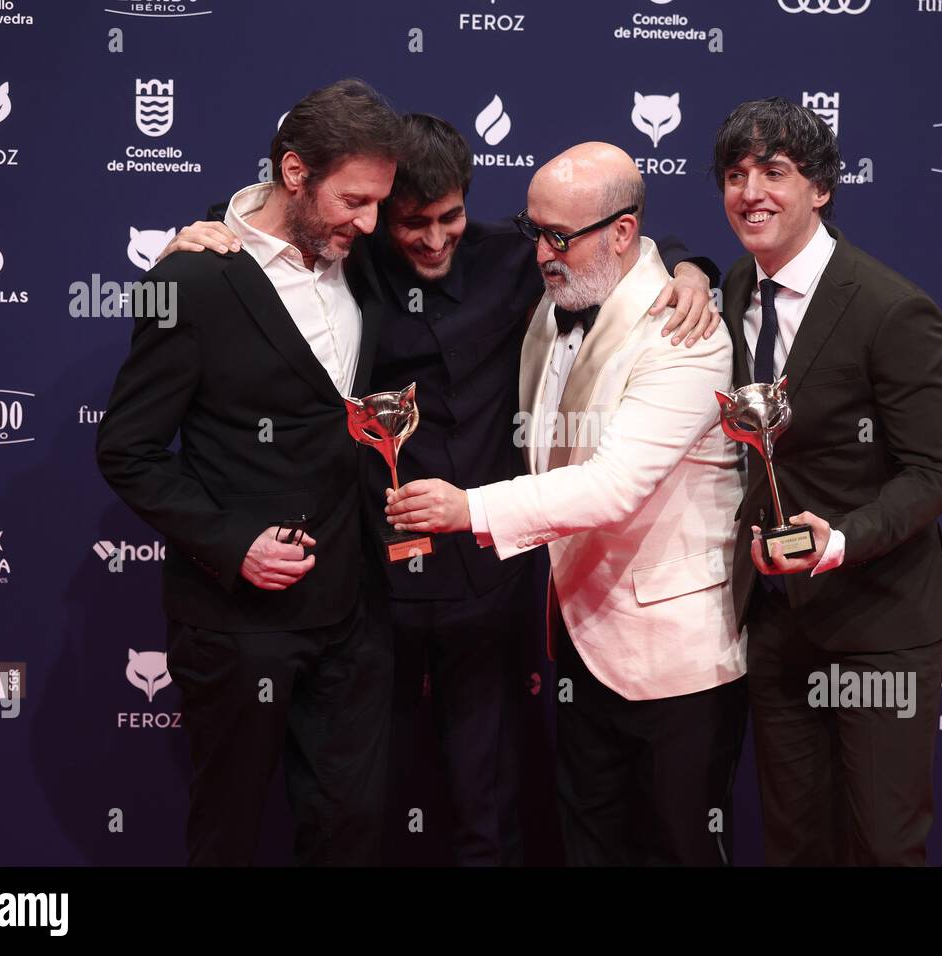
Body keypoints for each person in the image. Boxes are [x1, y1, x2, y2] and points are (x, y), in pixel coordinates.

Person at [160, 116, 720, 865]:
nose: (431, 239)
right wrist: (200, 230)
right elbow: (266, 238)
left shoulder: (519, 257)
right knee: (354, 803)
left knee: (485, 801)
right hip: (369, 588)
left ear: (471, 204)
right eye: (411, 224)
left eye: (448, 217)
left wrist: (691, 269)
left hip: (488, 580)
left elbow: (618, 246)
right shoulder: (351, 262)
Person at [386, 142, 747, 866]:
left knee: (677, 850)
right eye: (534, 231)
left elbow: (614, 486)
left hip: (674, 660)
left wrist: (469, 509)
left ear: (621, 232)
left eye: (560, 237)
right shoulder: (558, 306)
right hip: (579, 639)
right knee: (590, 847)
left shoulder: (684, 333)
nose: (542, 253)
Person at [95, 78, 403, 866]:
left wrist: (675, 262)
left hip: (355, 608)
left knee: (349, 831)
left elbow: (534, 241)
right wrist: (234, 543)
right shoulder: (190, 280)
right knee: (228, 832)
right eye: (355, 201)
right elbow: (126, 451)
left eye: (378, 203)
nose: (372, 224)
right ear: (295, 173)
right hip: (240, 621)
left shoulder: (358, 260)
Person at [713, 97, 942, 865]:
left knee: (883, 848)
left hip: (878, 627)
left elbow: (933, 474)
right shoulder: (730, 291)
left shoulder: (891, 307)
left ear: (820, 189)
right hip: (781, 624)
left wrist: (840, 541)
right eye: (735, 174)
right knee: (794, 845)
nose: (751, 191)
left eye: (774, 172)